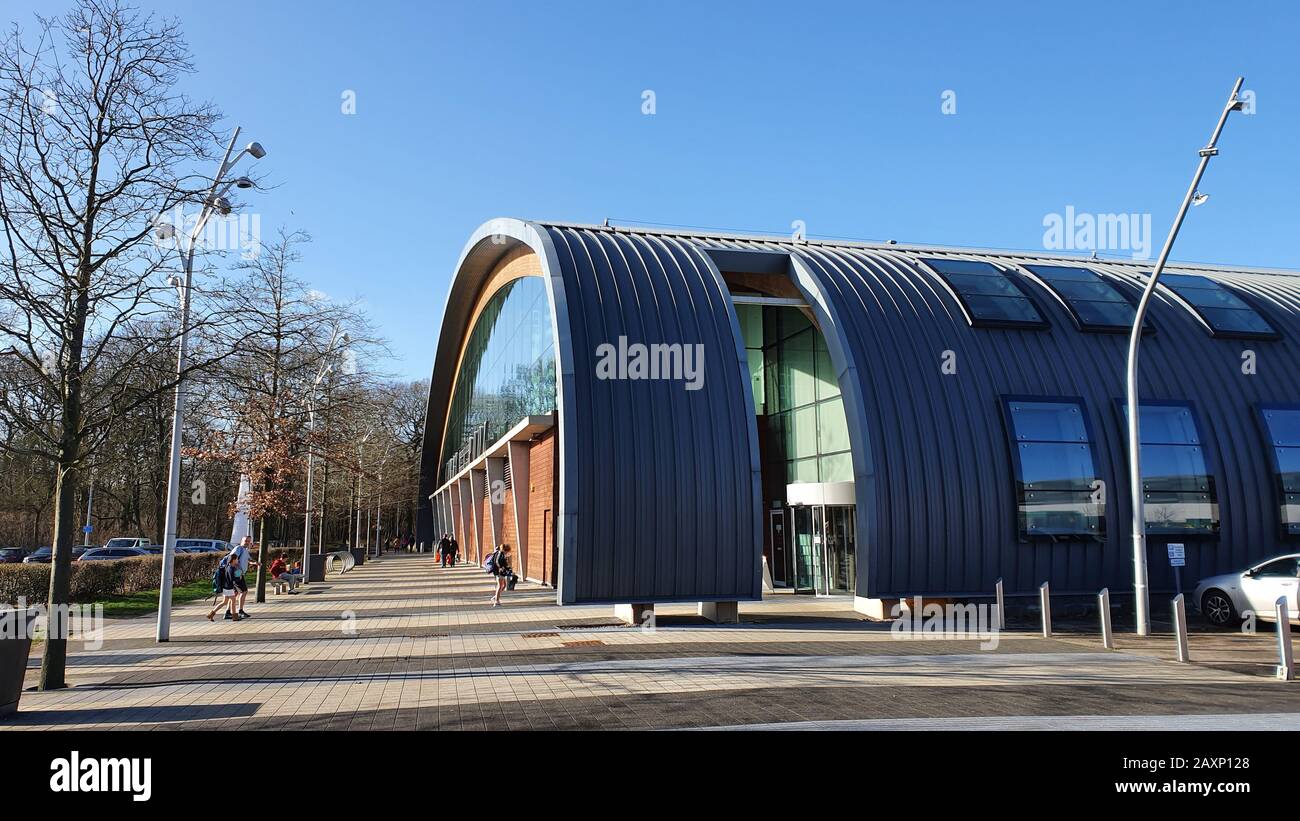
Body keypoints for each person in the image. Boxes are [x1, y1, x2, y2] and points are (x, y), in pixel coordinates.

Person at [228, 536, 257, 618]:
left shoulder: (245, 550)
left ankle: (228, 612)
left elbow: (249, 560)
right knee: (243, 591)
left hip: (240, 573)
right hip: (237, 573)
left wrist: (255, 563)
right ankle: (240, 611)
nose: (247, 543)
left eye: (248, 541)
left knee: (235, 593)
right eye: (245, 541)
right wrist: (239, 570)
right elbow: (232, 560)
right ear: (241, 541)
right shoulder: (238, 548)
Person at [207, 556, 240, 622]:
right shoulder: (231, 568)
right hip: (229, 588)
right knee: (233, 602)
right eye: (236, 559)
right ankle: (235, 617)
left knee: (224, 602)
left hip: (225, 587)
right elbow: (232, 579)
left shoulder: (227, 566)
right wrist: (238, 576)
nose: (237, 560)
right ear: (233, 560)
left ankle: (211, 614)